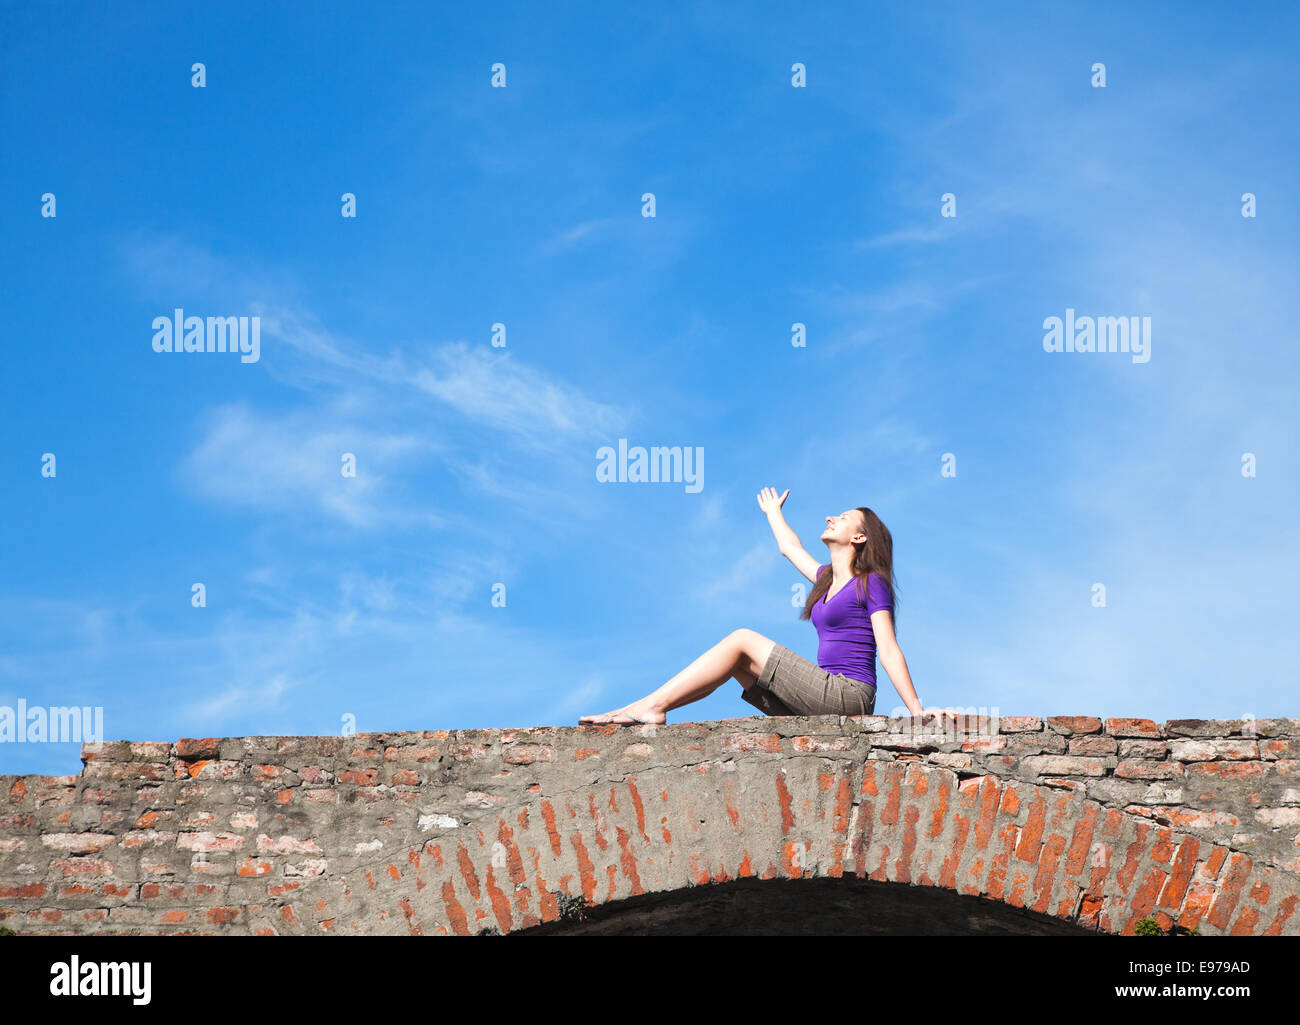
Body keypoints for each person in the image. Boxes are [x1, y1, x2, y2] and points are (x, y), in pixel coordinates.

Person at [579, 487, 938, 726]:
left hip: (850, 696)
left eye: (842, 518)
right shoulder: (827, 579)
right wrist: (772, 513)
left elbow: (888, 648)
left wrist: (917, 711)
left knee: (742, 639)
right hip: (827, 699)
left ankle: (649, 707)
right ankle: (655, 707)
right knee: (740, 666)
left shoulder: (871, 583)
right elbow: (789, 548)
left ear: (859, 538)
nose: (831, 518)